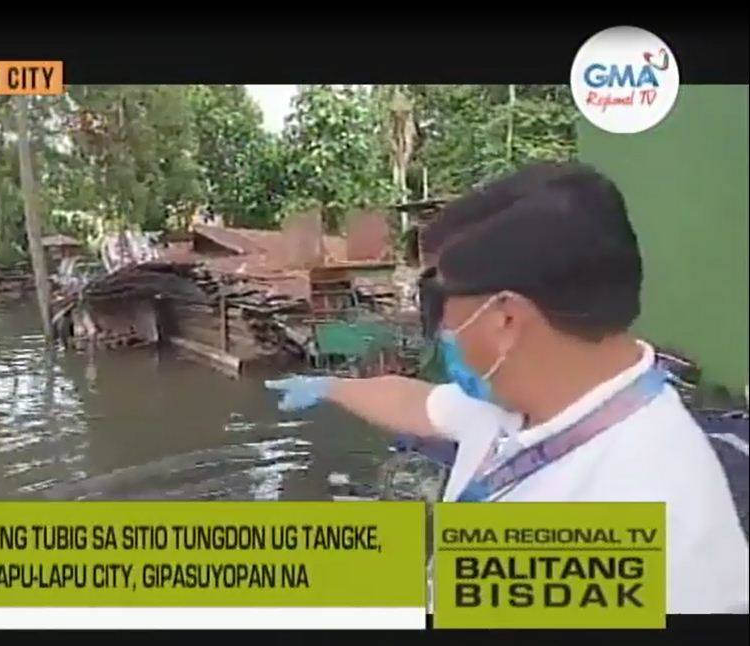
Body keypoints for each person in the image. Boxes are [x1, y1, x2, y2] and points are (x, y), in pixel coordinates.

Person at [265, 162, 749, 614]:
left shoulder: (659, 535)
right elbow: (416, 402)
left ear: (505, 318)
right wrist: (328, 387)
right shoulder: (529, 398)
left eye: (436, 301)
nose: (441, 329)